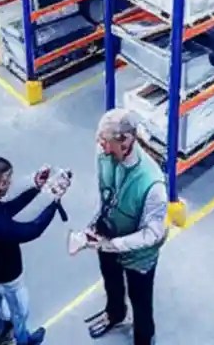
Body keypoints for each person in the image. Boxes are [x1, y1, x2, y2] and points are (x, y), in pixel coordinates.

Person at [83, 110, 166, 345]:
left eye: (108, 143)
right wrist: (96, 224)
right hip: (107, 237)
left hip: (139, 255)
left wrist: (115, 245)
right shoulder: (104, 152)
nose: (103, 149)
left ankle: (143, 338)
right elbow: (107, 193)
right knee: (111, 282)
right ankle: (116, 313)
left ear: (127, 140)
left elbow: (153, 233)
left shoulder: (152, 184)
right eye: (101, 142)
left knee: (140, 300)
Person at [0, 155, 68, 345]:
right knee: (20, 310)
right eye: (6, 181)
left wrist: (35, 187)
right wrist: (53, 201)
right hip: (9, 273)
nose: (10, 183)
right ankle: (23, 340)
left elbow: (7, 208)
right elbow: (33, 229)